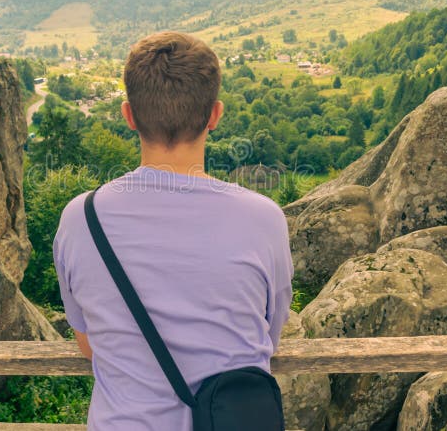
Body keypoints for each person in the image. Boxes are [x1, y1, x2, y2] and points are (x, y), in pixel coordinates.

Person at [53, 31, 293, 430]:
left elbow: (88, 343)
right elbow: (269, 335)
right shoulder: (264, 219)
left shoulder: (81, 219)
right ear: (215, 115)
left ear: (129, 115)